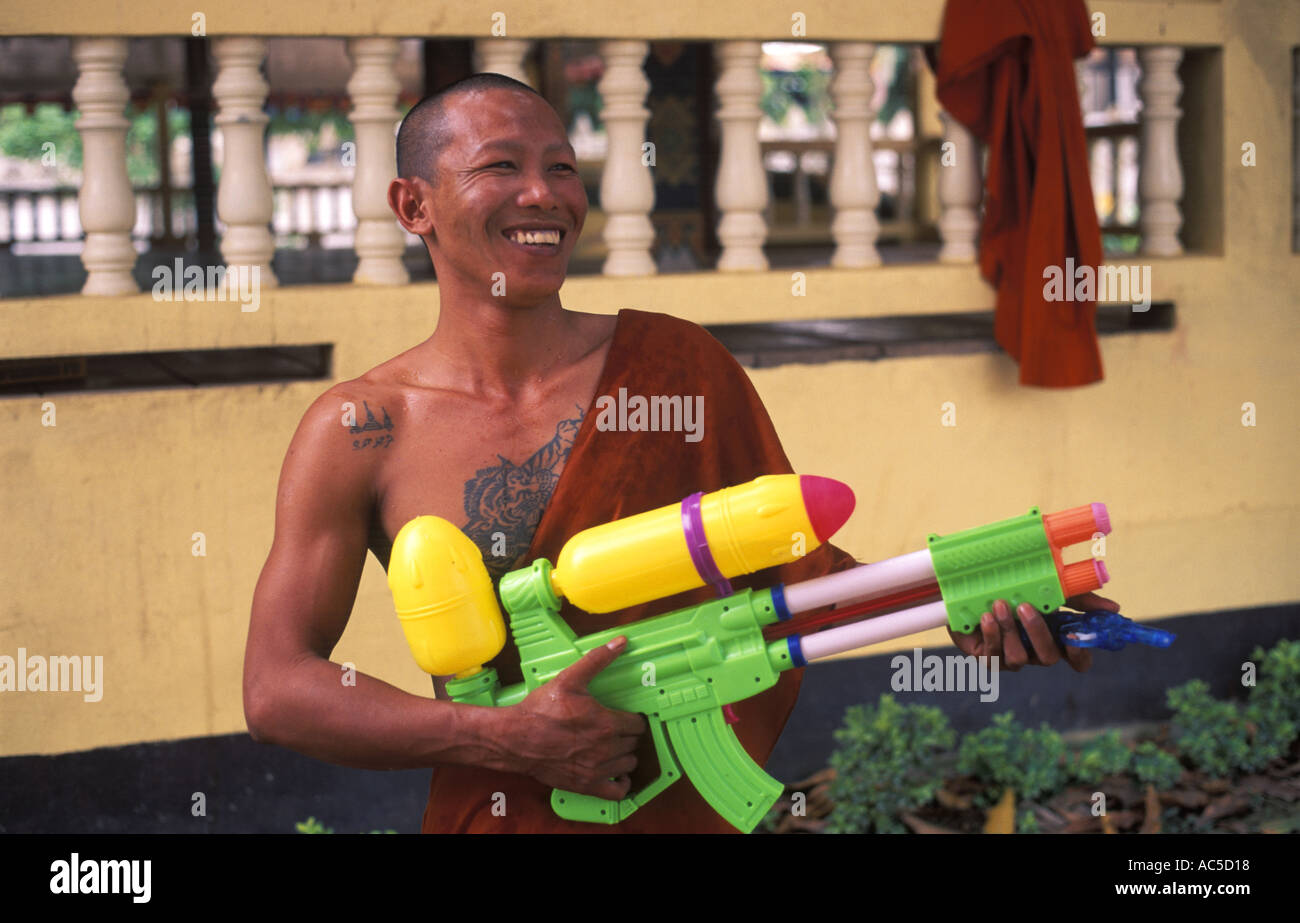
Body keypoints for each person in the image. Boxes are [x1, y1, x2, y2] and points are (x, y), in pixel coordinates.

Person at [243, 73, 1117, 833]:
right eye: (500, 166)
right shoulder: (363, 427)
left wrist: (961, 605)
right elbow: (277, 687)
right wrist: (505, 735)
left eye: (561, 167)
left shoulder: (678, 368)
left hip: (685, 811)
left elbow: (801, 580)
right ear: (413, 205)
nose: (544, 194)